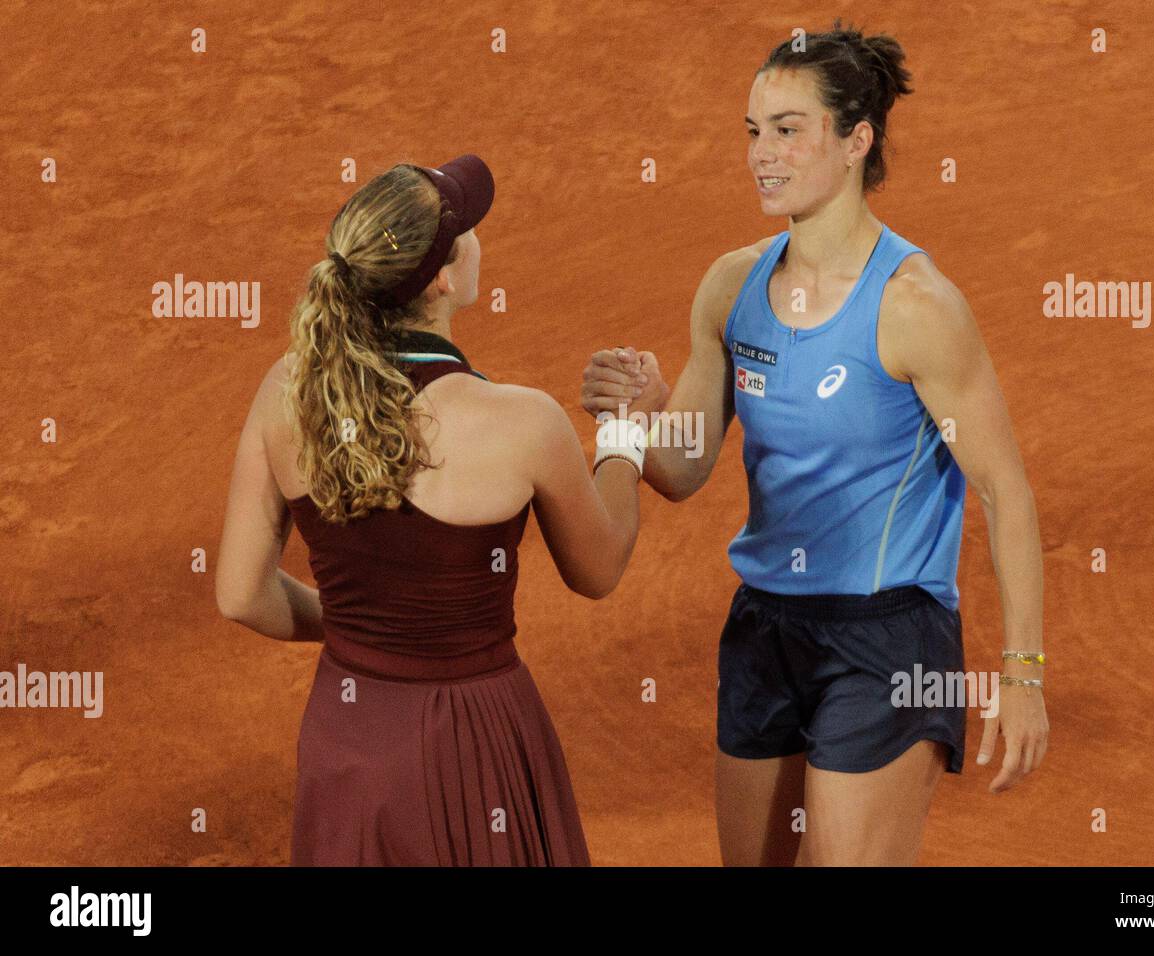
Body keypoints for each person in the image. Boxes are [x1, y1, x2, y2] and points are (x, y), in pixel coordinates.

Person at [581, 23, 1049, 866]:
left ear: (857, 140)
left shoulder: (915, 307)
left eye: (789, 130)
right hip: (765, 628)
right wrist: (634, 416)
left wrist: (1022, 674)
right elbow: (684, 466)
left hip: (892, 639)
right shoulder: (733, 287)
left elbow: (1005, 491)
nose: (762, 153)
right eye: (754, 132)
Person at [215, 155, 663, 865]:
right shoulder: (522, 421)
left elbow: (241, 594)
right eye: (470, 229)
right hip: (473, 740)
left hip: (345, 730)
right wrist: (624, 429)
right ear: (445, 278)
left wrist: (376, 634)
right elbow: (600, 566)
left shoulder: (285, 390)